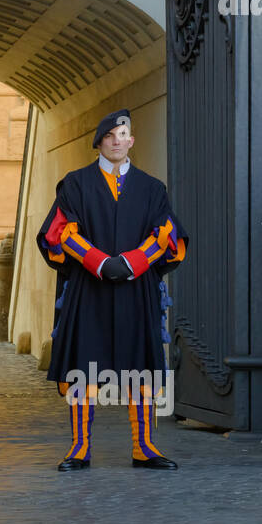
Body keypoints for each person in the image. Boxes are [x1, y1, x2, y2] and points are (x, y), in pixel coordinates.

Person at [36, 108, 187, 471]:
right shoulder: (75, 184)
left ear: (132, 140)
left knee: (141, 366)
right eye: (111, 136)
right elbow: (61, 232)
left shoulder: (153, 189)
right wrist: (101, 263)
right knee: (83, 368)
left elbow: (165, 235)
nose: (118, 141)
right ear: (100, 142)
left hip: (138, 290)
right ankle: (79, 448)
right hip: (89, 289)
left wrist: (132, 263)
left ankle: (144, 447)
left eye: (124, 135)